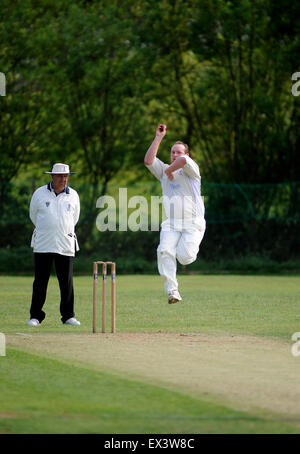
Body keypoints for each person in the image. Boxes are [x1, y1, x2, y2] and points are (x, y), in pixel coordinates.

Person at [144, 124, 206, 304]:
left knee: (184, 257)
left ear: (186, 153)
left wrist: (170, 170)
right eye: (173, 152)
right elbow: (148, 160)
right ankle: (172, 291)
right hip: (171, 223)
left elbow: (184, 162)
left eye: (179, 152)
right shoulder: (163, 170)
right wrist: (158, 137)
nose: (175, 155)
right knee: (164, 251)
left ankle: (187, 253)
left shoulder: (192, 170)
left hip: (193, 223)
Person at [27, 163, 81, 326]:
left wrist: (62, 230)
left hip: (65, 243)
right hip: (43, 243)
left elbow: (75, 218)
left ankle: (68, 316)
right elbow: (33, 216)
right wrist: (48, 229)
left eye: (66, 176)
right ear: (52, 176)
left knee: (67, 283)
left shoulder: (73, 195)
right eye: (60, 176)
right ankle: (35, 316)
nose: (63, 179)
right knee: (40, 282)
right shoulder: (39, 193)